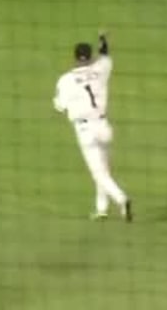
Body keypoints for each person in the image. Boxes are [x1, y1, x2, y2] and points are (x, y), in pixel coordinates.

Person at [52, 32, 133, 222]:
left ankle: (122, 199)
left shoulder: (66, 80)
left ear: (74, 58)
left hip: (86, 131)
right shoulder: (101, 69)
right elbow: (105, 55)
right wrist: (103, 40)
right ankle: (101, 209)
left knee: (99, 173)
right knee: (104, 169)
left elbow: (59, 106)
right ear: (90, 57)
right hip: (104, 127)